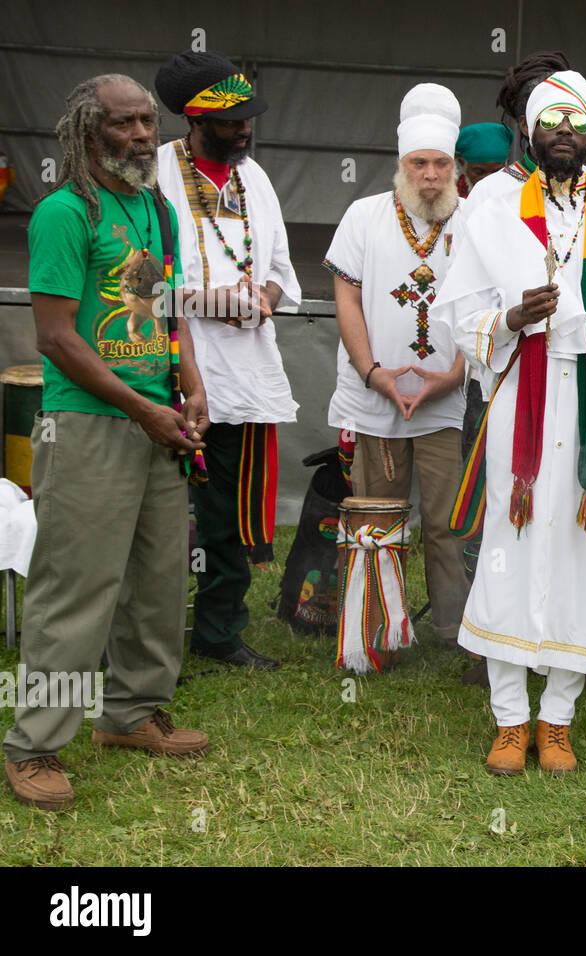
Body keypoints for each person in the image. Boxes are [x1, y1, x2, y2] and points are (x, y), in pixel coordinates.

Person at [435, 71, 586, 775]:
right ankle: (510, 720)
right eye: (551, 121)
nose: (564, 132)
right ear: (533, 132)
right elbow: (459, 313)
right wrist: (513, 318)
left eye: (577, 122)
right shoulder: (493, 205)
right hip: (526, 394)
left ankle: (559, 718)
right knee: (515, 543)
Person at [5, 74, 209, 811]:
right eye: (125, 124)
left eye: (149, 122)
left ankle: (130, 715)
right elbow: (56, 337)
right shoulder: (64, 214)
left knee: (156, 582)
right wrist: (141, 410)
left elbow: (162, 311)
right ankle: (34, 746)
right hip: (90, 424)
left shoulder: (155, 208)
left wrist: (189, 386)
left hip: (157, 419)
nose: (143, 136)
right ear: (90, 132)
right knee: (76, 588)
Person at [154, 51, 303, 671]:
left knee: (229, 512)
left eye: (249, 118)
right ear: (195, 119)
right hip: (166, 366)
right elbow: (137, 281)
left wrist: (262, 300)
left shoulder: (256, 179)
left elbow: (279, 270)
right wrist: (207, 300)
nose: (244, 129)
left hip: (244, 373)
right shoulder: (155, 174)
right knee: (160, 507)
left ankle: (219, 630)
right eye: (231, 120)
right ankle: (148, 637)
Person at [324, 83, 469, 643]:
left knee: (447, 523)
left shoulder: (475, 218)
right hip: (374, 397)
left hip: (448, 400)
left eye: (440, 163)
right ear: (401, 164)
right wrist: (373, 374)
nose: (430, 175)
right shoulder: (364, 216)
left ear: (455, 167)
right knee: (374, 516)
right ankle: (371, 628)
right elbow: (346, 297)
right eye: (419, 163)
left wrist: (454, 375)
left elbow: (489, 305)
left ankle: (455, 633)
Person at [460, 52, 586, 217]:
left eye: (576, 120)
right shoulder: (491, 191)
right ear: (526, 123)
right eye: (551, 117)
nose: (564, 128)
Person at [456, 122, 511, 197]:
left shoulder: (518, 192)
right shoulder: (450, 198)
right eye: (479, 172)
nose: (487, 180)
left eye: (496, 172)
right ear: (462, 163)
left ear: (507, 163)